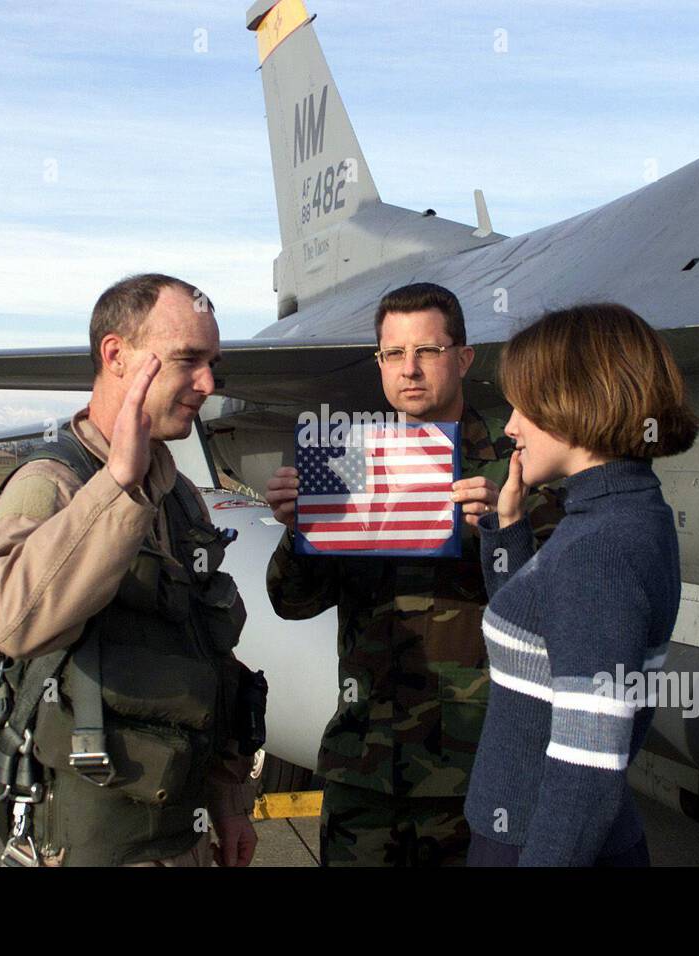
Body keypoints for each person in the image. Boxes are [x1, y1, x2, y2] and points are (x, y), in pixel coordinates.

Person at [264, 282, 564, 866]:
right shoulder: (348, 463)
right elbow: (292, 602)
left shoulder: (519, 469)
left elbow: (565, 607)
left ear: (464, 357)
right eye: (393, 354)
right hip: (366, 772)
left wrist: (502, 532)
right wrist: (299, 530)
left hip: (480, 773)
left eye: (427, 351)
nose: (410, 369)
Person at [0, 273, 259, 867]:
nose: (208, 384)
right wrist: (116, 488)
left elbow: (213, 657)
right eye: (187, 361)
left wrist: (231, 802)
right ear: (116, 355)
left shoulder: (180, 497)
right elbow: (9, 622)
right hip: (87, 841)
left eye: (213, 364)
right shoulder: (50, 484)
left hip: (178, 832)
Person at [464, 302, 699, 867]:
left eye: (524, 405)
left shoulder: (597, 547)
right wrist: (511, 530)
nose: (511, 425)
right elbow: (544, 643)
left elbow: (586, 769)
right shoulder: (629, 509)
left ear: (575, 399)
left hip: (533, 843)